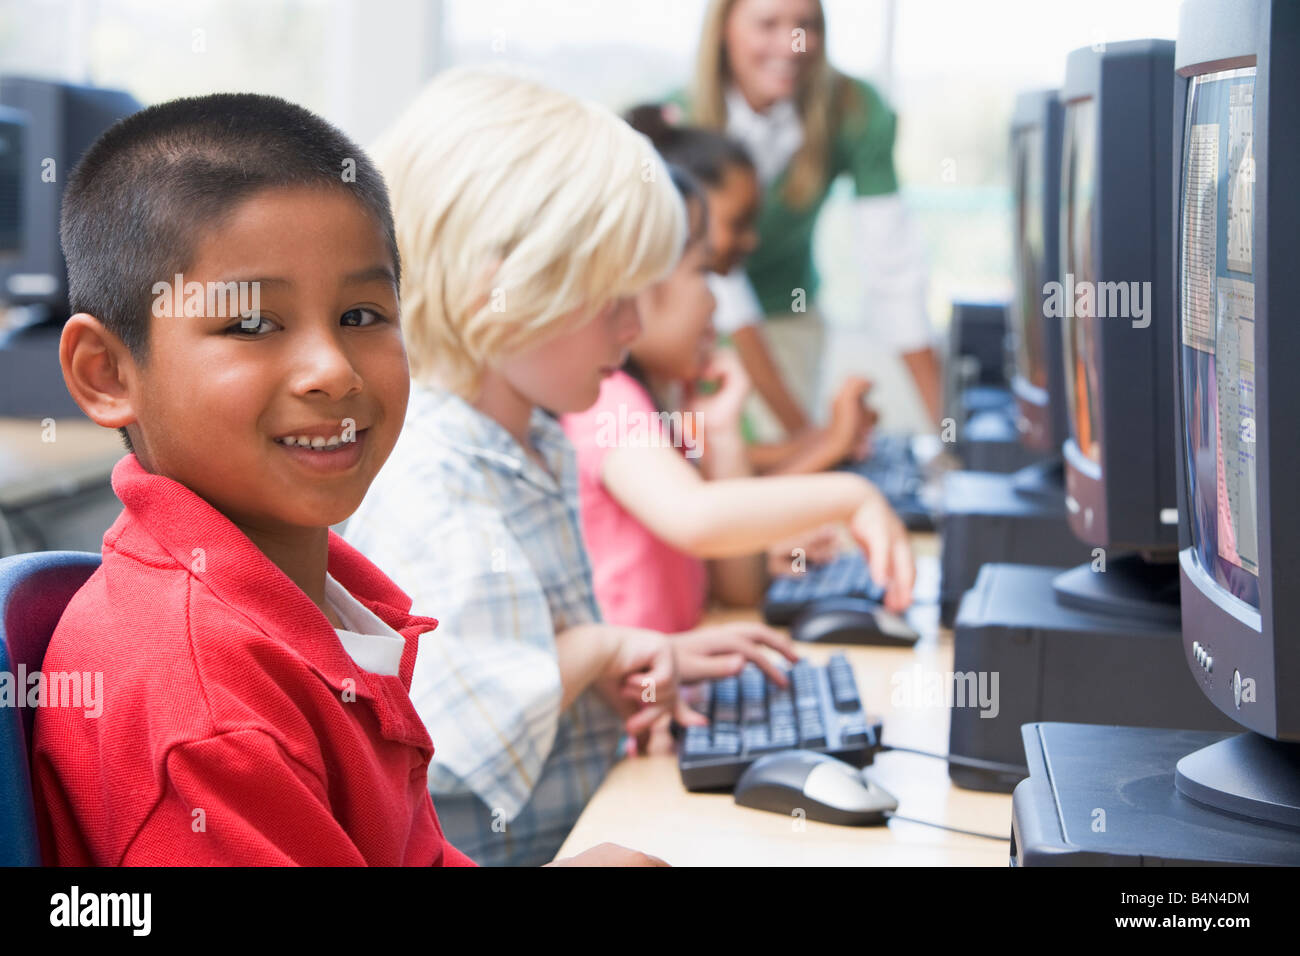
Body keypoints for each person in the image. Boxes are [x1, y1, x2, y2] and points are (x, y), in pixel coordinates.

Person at [342, 68, 795, 867]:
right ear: (506, 288)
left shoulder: (534, 439)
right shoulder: (434, 475)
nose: (631, 326)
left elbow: (512, 661)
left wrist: (610, 668)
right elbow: (458, 735)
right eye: (610, 296)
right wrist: (600, 649)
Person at [32, 93, 476, 866]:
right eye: (249, 325)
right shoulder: (206, 712)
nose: (332, 372)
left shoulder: (309, 600)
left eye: (362, 316)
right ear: (107, 373)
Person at [560, 164, 914, 634]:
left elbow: (740, 588)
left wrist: (722, 431)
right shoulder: (607, 403)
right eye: (702, 272)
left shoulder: (651, 406)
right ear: (637, 284)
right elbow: (695, 518)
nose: (714, 303)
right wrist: (853, 497)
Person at [675, 0, 943, 437]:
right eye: (767, 24)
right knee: (724, 453)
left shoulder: (854, 108)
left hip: (791, 310)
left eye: (806, 25)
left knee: (778, 458)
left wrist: (945, 430)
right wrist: (813, 441)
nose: (792, 44)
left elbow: (893, 269)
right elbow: (723, 285)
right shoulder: (682, 123)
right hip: (695, 317)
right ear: (724, 29)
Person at [624, 104, 878, 476]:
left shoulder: (686, 356)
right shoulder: (622, 401)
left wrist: (830, 441)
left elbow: (730, 476)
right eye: (739, 222)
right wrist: (831, 445)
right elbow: (711, 513)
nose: (753, 240)